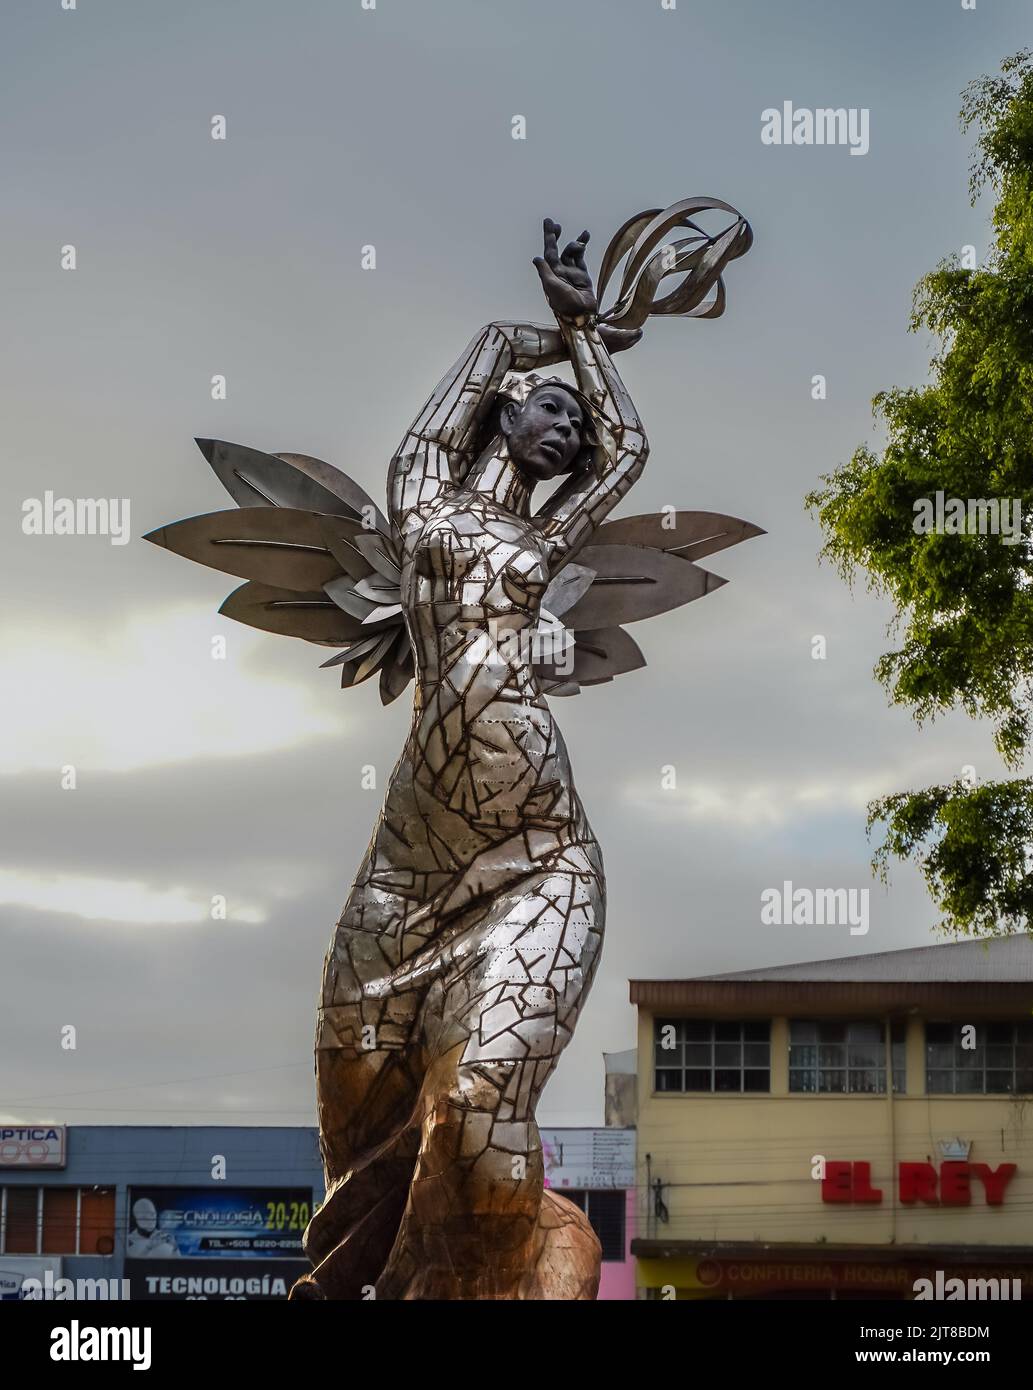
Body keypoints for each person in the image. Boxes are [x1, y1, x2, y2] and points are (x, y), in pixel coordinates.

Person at [304, 220, 648, 1300]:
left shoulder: (545, 544)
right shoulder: (422, 504)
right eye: (553, 415)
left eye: (574, 433)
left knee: (483, 1094)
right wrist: (539, 330)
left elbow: (628, 451)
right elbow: (472, 377)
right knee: (358, 1079)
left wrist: (588, 341)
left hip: (539, 855)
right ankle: (505, 1248)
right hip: (410, 866)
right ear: (505, 408)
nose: (572, 437)